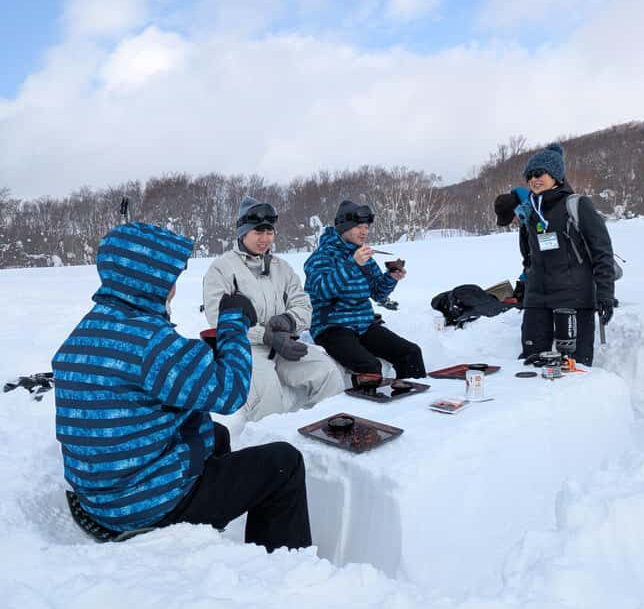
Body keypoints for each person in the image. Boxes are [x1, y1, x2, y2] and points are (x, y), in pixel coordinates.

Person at [52, 221, 311, 552]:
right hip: (142, 505)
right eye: (169, 278)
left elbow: (151, 369)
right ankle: (282, 567)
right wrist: (233, 324)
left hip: (99, 495)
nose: (174, 287)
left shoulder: (88, 330)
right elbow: (230, 393)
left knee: (216, 435)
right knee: (283, 463)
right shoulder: (151, 343)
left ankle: (211, 525)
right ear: (149, 280)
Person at [202, 197, 345, 421]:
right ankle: (272, 446)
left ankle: (331, 430)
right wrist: (266, 336)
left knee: (327, 372)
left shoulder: (281, 267)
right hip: (245, 349)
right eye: (258, 232)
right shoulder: (222, 268)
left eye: (269, 232)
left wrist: (290, 320)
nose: (265, 239)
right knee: (267, 394)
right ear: (243, 232)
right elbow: (217, 319)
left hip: (283, 345)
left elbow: (303, 304)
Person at [303, 200, 426, 380]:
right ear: (345, 226)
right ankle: (366, 407)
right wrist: (352, 264)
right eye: (359, 226)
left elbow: (377, 293)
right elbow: (322, 291)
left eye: (367, 227)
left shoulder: (363, 255)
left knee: (411, 353)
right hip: (331, 327)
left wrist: (391, 278)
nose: (364, 232)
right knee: (370, 367)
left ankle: (412, 403)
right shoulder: (322, 256)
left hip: (363, 323)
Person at [517, 143, 615, 366]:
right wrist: (527, 283)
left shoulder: (577, 205)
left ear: (556, 175)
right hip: (537, 300)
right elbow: (528, 256)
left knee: (575, 367)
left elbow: (602, 253)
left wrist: (605, 295)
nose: (534, 179)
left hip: (574, 298)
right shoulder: (529, 211)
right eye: (529, 175)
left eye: (539, 173)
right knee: (532, 365)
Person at [493, 186, 532, 303]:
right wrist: (523, 282)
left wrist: (529, 286)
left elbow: (547, 256)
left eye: (512, 219)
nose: (513, 223)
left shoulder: (541, 216)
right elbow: (530, 259)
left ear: (518, 209)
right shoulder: (526, 224)